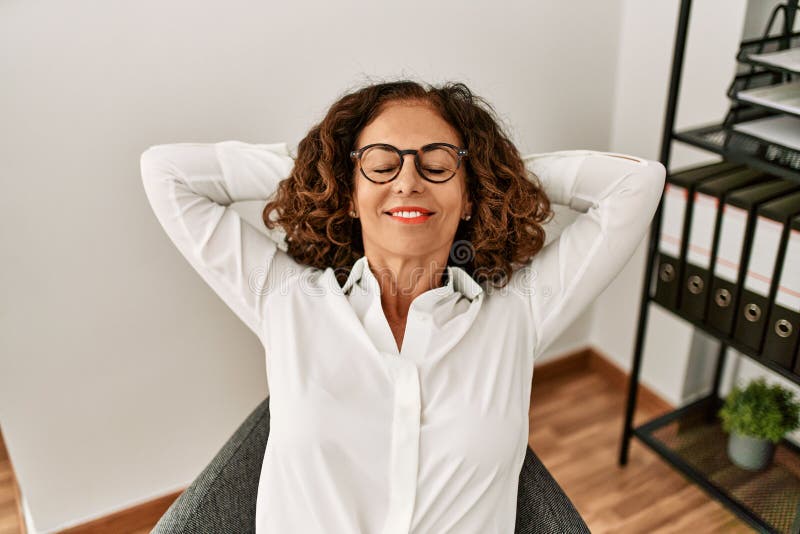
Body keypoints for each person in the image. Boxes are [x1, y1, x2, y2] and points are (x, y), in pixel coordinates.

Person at [139, 79, 665, 534]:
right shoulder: (289, 301)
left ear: (469, 197)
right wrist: (323, 166)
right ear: (349, 193)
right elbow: (166, 173)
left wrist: (494, 171)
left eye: (436, 165)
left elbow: (636, 184)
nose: (408, 181)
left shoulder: (517, 315)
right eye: (382, 164)